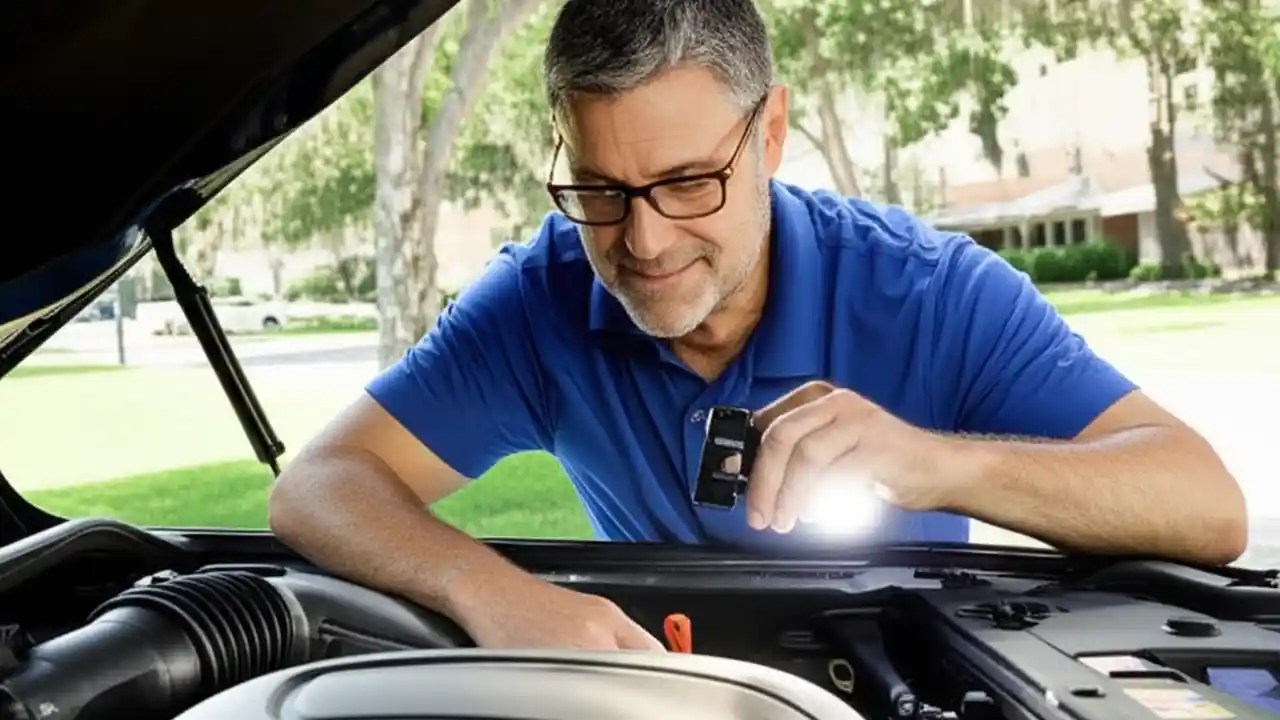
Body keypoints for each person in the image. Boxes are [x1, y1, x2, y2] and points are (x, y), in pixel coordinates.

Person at [268, 0, 1247, 651]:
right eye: (598, 188)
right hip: (661, 692)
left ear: (769, 133)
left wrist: (937, 462)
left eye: (687, 182)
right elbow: (319, 483)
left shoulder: (925, 293)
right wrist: (483, 589)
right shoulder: (542, 295)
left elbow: (1203, 503)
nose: (641, 242)